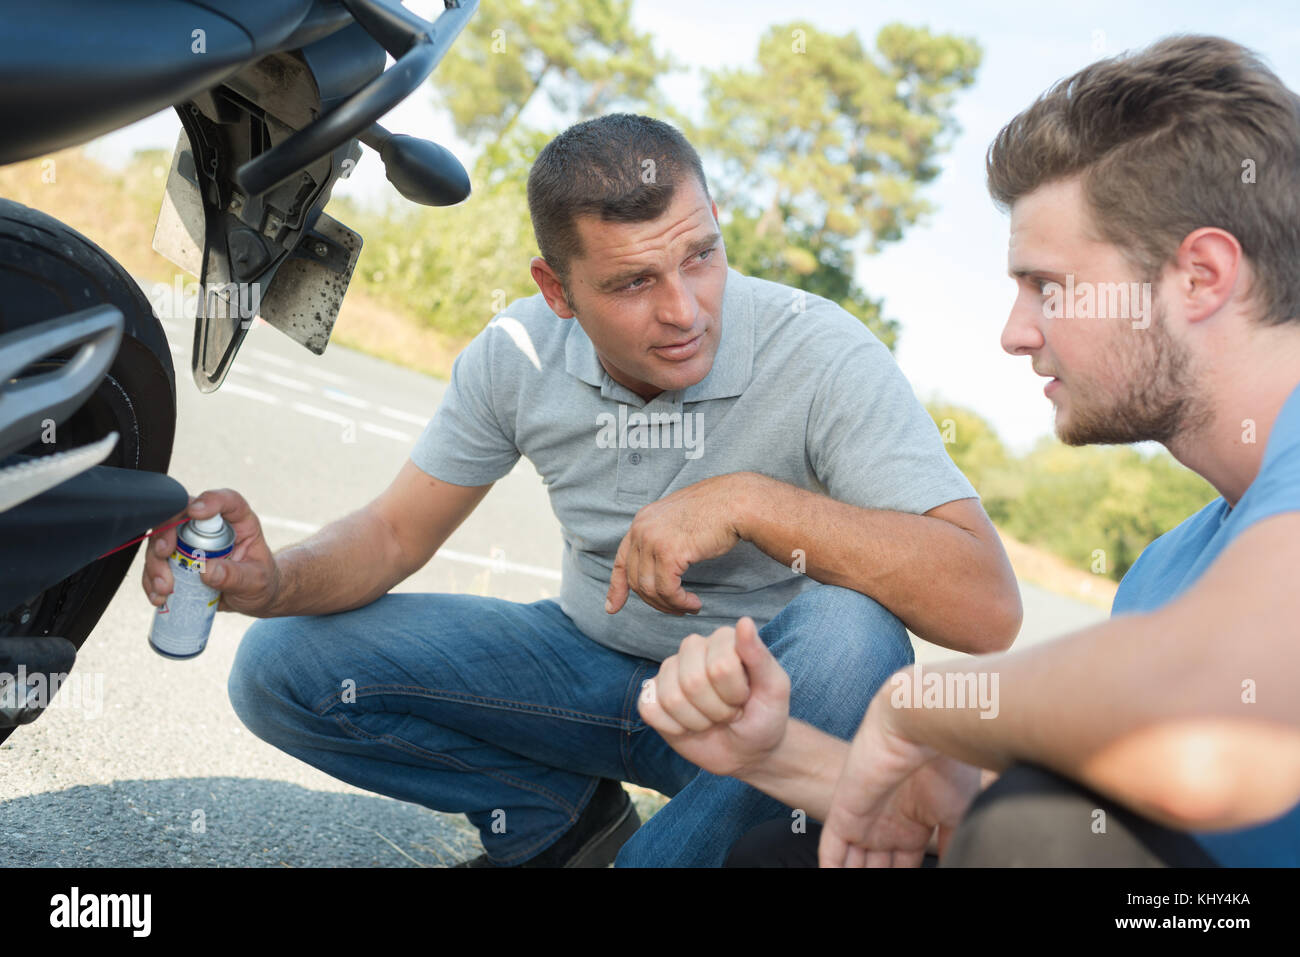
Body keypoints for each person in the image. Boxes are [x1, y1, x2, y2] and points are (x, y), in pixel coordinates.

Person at [141, 113, 1021, 867]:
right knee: (284, 668)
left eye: (700, 257)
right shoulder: (517, 354)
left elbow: (987, 607)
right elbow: (393, 535)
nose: (685, 310)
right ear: (556, 291)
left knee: (852, 629)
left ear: (717, 225)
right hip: (583, 666)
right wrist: (274, 581)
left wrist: (751, 500)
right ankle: (559, 819)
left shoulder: (823, 352)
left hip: (759, 722)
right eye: (634, 282)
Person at [638, 34, 1300, 867]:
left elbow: (1207, 734)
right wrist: (770, 753)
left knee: (1036, 825)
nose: (1016, 334)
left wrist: (921, 700)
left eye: (1047, 286)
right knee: (779, 854)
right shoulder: (1171, 566)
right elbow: (975, 820)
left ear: (1201, 276)